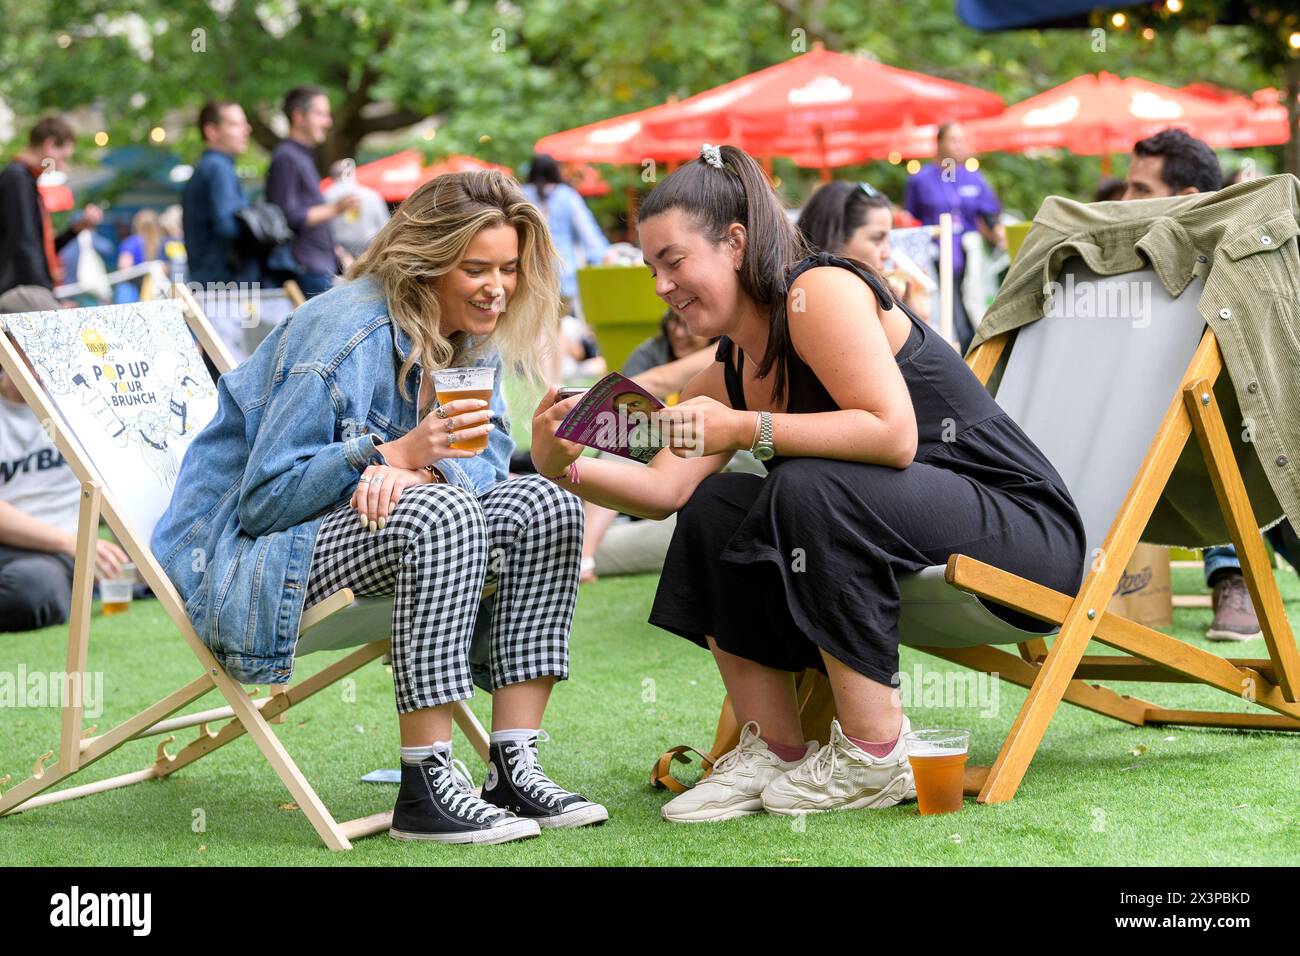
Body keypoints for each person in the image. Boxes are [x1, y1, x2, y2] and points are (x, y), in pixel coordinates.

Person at [532, 144, 1087, 824]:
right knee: (715, 504)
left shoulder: (818, 292)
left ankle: (875, 752)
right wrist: (563, 465)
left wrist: (743, 429)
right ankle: (777, 751)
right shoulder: (727, 373)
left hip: (1020, 537)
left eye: (673, 261)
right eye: (651, 268)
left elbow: (892, 435)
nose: (661, 287)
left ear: (734, 242)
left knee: (804, 482)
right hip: (907, 540)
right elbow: (664, 493)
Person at [151, 169, 606, 844]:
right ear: (424, 265)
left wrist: (421, 471)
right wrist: (386, 456)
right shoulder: (343, 333)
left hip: (370, 536)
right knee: (440, 516)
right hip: (249, 560)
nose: (497, 288)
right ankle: (425, 787)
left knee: (547, 504)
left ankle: (512, 765)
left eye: (509, 269)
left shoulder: (470, 335)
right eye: (475, 268)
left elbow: (478, 473)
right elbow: (264, 500)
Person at [1119, 127, 1298, 640]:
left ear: (1190, 200)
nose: (1123, 202)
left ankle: (1234, 576)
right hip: (1191, 459)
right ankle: (1230, 576)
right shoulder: (1120, 269)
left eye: (1141, 191)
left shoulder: (1250, 266)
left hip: (1262, 443)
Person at [0, 286, 130, 632]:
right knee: (35, 587)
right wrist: (71, 543)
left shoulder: (81, 400)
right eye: (29, 340)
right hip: (24, 551)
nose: (42, 351)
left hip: (73, 549)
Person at [577, 308, 719, 583]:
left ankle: (578, 553)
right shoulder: (649, 354)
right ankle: (584, 551)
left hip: (683, 494)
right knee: (639, 431)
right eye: (673, 322)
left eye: (687, 323)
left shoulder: (727, 359)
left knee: (684, 534)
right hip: (629, 479)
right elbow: (617, 419)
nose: (679, 332)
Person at [904, 121, 1003, 352]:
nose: (959, 146)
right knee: (950, 313)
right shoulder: (920, 179)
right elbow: (911, 219)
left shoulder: (974, 177)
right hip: (936, 255)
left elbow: (989, 215)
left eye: (962, 140)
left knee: (972, 305)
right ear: (939, 143)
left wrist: (996, 232)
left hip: (970, 256)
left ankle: (976, 354)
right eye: (953, 140)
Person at [265, 86, 359, 297]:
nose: (328, 122)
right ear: (299, 116)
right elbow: (288, 217)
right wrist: (336, 208)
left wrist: (337, 252)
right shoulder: (286, 156)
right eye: (321, 114)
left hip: (318, 267)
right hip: (306, 270)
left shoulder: (300, 156)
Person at [798, 180, 931, 322]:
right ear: (837, 238)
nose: (887, 254)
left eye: (888, 240)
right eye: (877, 239)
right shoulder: (830, 301)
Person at [0, 116, 104, 296]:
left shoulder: (24, 180)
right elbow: (24, 247)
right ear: (49, 145)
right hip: (18, 292)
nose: (63, 166)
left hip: (24, 289)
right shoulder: (17, 179)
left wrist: (77, 228)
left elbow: (37, 249)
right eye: (63, 158)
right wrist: (47, 297)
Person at [521, 153, 610, 319]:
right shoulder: (567, 196)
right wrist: (603, 256)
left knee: (532, 334)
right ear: (556, 171)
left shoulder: (521, 195)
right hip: (564, 276)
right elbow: (588, 234)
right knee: (557, 330)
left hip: (529, 278)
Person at [323, 158, 390, 260]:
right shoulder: (372, 195)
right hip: (369, 253)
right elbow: (385, 227)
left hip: (335, 256)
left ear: (332, 176)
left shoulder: (324, 196)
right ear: (353, 173)